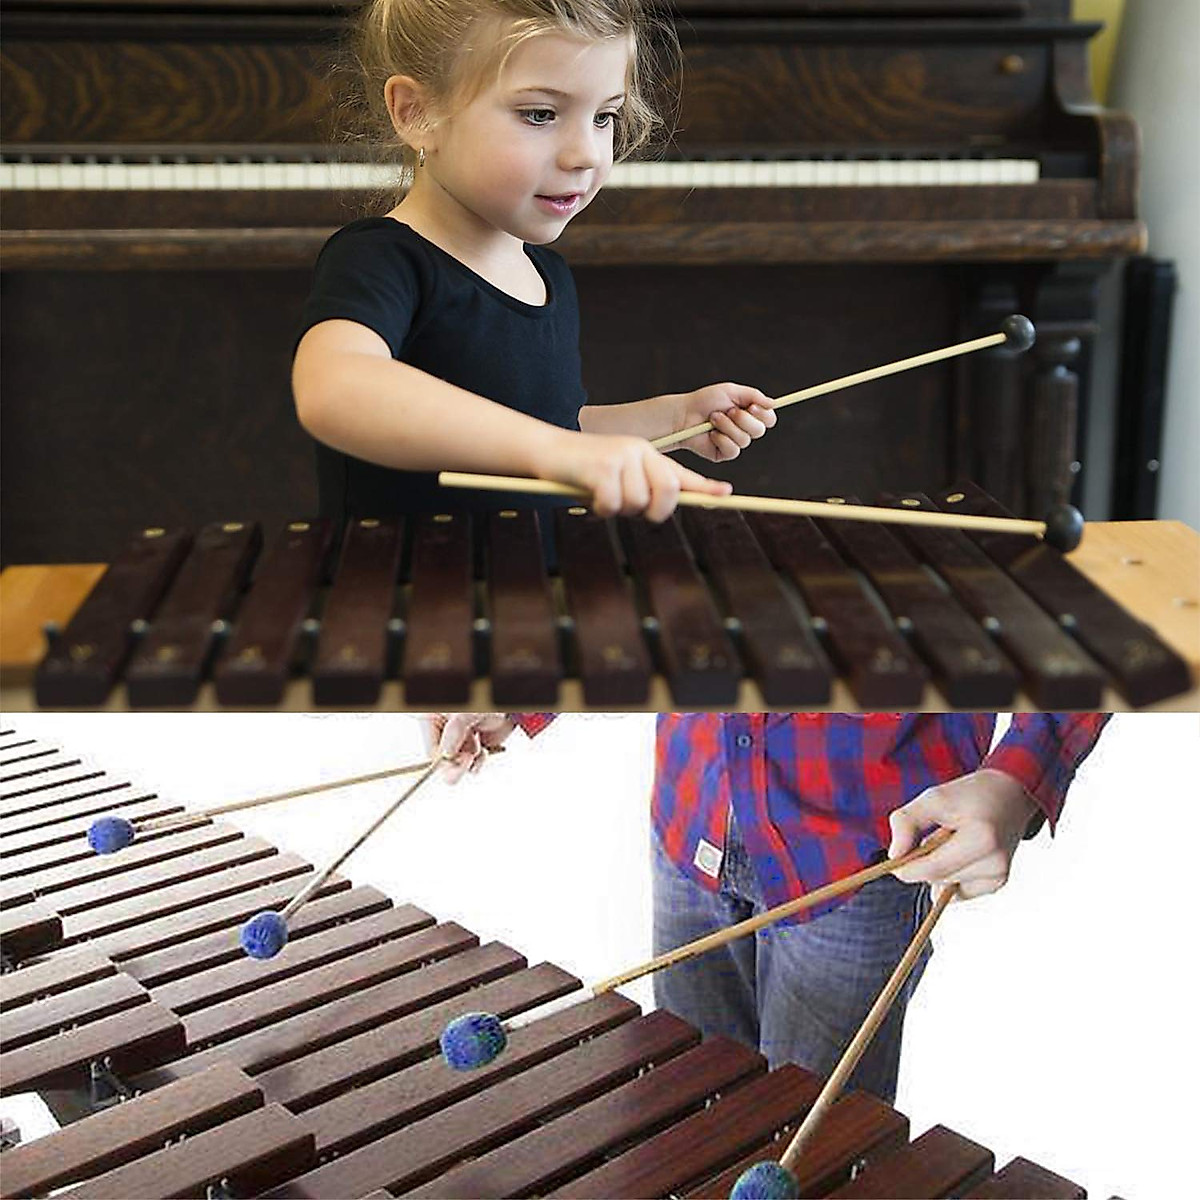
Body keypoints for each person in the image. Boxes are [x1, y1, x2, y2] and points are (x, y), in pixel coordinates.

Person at [426, 711, 1109, 1104]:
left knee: (809, 1150)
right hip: (691, 814)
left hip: (867, 853)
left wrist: (1020, 773)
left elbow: (1097, 573)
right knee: (685, 1117)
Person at [291, 0, 776, 533]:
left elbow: (549, 429)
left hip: (520, 591)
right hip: (405, 595)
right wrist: (554, 452)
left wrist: (671, 421)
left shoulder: (547, 275)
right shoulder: (382, 257)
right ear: (415, 112)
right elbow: (334, 389)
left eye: (604, 117)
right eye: (540, 114)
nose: (586, 154)